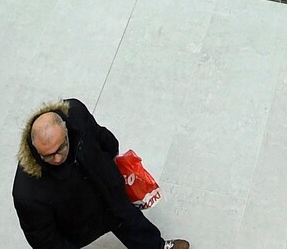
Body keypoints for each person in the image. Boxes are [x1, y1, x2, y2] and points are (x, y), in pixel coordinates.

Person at [12, 99, 186, 249]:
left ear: (66, 131)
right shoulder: (27, 193)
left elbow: (103, 139)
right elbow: (45, 241)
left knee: (134, 223)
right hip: (79, 221)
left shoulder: (76, 113)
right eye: (48, 155)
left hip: (108, 190)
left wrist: (111, 163)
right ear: (35, 149)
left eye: (61, 148)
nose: (57, 159)